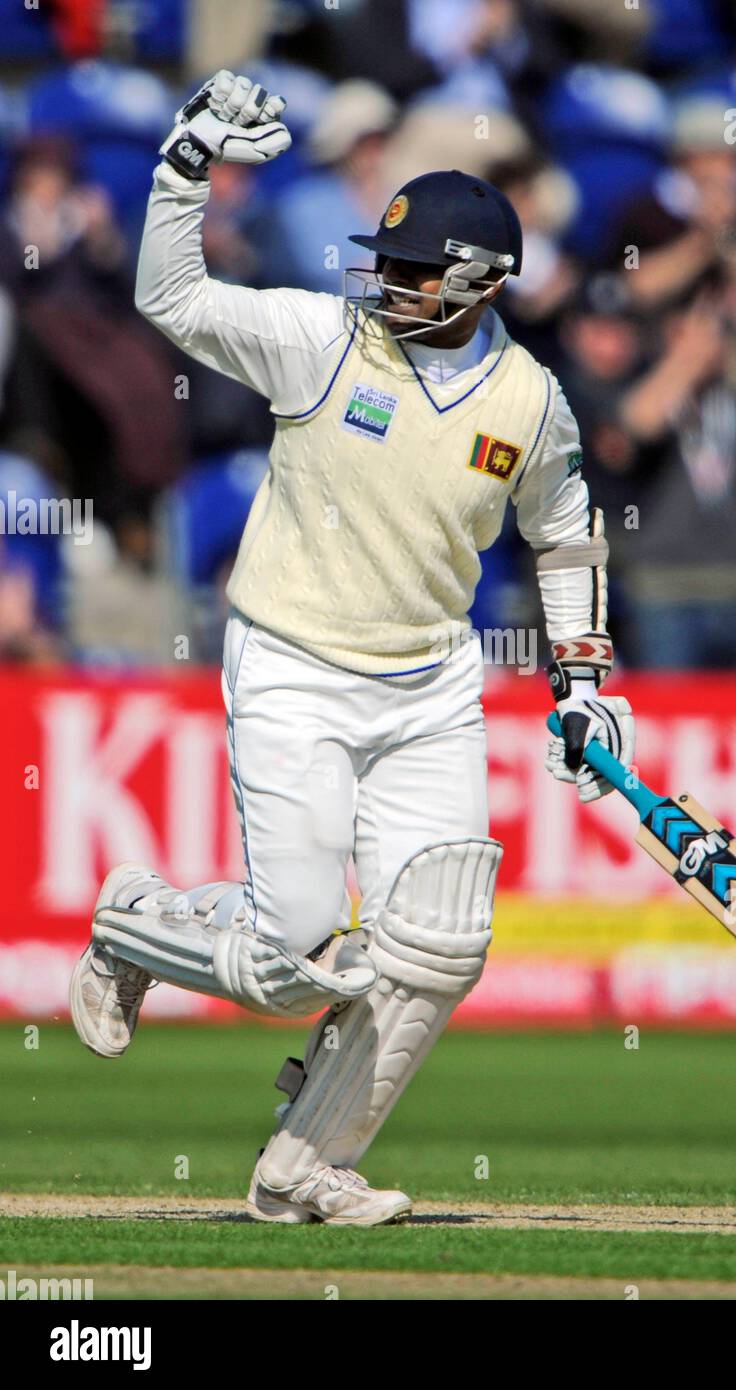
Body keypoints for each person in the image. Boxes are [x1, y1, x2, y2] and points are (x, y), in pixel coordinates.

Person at [68, 70, 633, 1226]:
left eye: (415, 271)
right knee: (293, 960)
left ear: (478, 284)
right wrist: (186, 167)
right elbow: (171, 297)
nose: (388, 284)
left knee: (443, 937)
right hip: (291, 662)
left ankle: (301, 1166)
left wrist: (582, 677)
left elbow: (566, 532)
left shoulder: (529, 401)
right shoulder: (321, 342)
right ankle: (134, 921)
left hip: (429, 688)